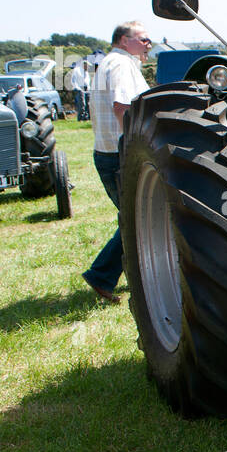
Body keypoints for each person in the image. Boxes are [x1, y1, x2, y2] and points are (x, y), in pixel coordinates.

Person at [82, 22, 150, 303]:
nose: (148, 43)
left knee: (136, 217)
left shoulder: (110, 63)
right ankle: (101, 275)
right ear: (124, 40)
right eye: (143, 39)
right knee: (138, 219)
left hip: (108, 152)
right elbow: (122, 107)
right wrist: (133, 149)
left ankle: (108, 274)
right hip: (119, 154)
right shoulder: (122, 65)